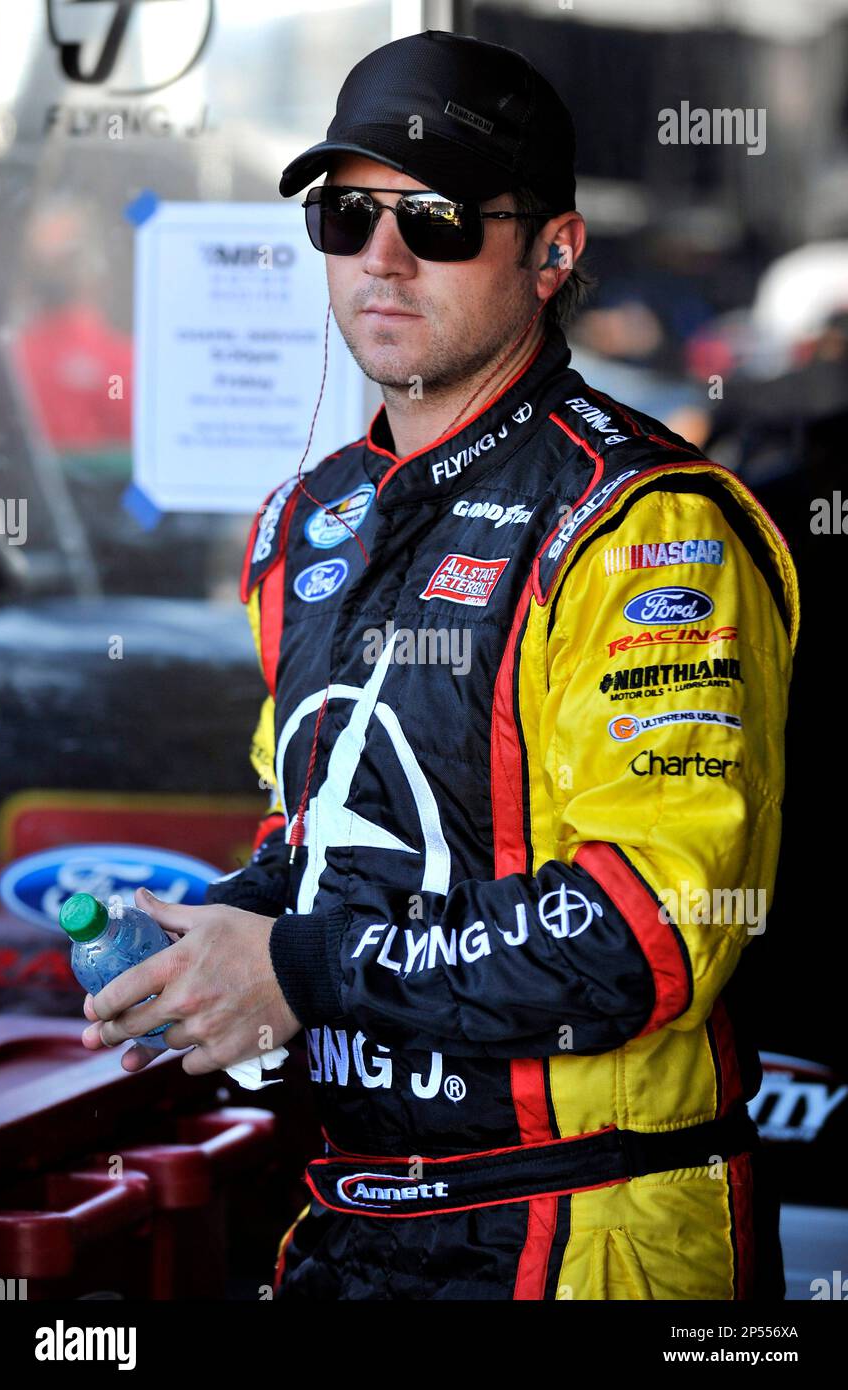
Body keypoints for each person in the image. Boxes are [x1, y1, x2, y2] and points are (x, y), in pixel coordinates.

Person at [82, 30, 799, 1300]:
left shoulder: (639, 527)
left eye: (440, 216)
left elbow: (650, 934)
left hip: (591, 1226)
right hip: (352, 1218)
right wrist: (213, 941)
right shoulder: (306, 520)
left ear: (553, 252)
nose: (382, 254)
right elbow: (323, 837)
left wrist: (300, 967)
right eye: (348, 213)